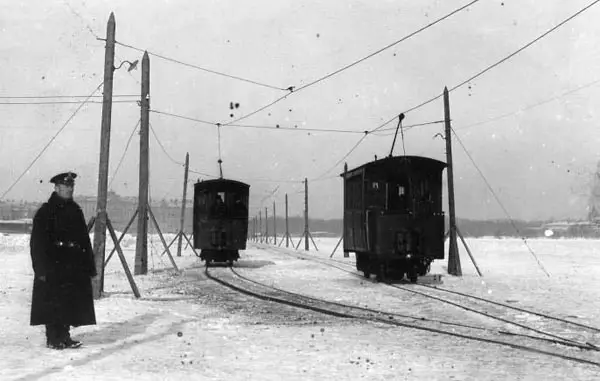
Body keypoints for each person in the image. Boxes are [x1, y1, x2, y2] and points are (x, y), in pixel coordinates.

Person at [30, 171, 97, 350]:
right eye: (65, 186)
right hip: (53, 264)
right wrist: (41, 270)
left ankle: (65, 336)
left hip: (73, 264)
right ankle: (53, 338)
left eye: (71, 186)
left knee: (69, 301)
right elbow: (37, 244)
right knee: (53, 302)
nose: (69, 189)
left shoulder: (75, 210)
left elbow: (84, 239)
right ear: (57, 187)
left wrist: (89, 266)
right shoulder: (45, 211)